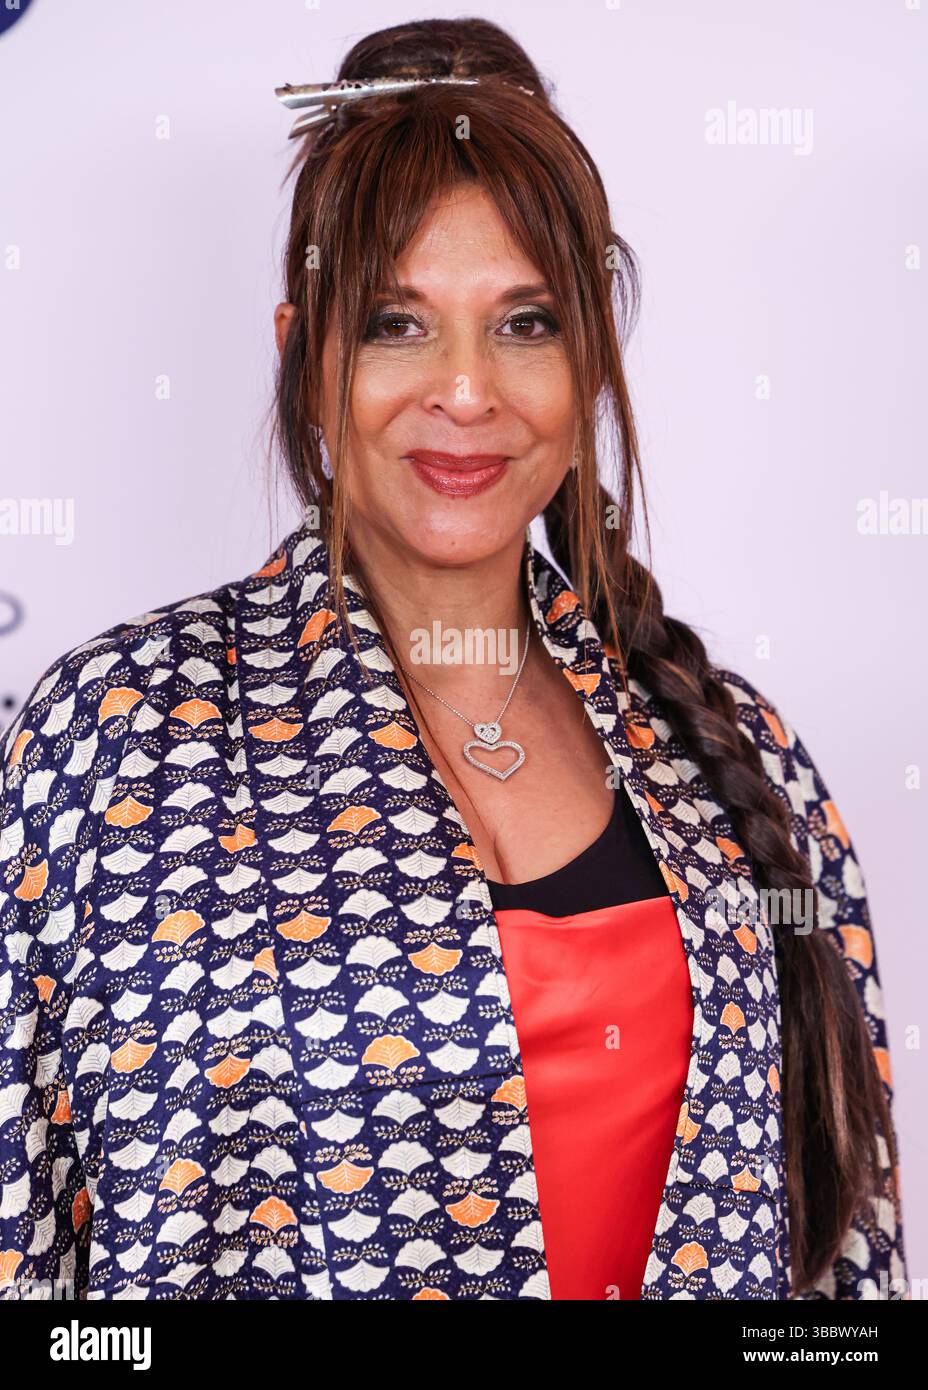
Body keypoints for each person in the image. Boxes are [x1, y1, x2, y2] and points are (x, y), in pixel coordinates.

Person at [0, 18, 905, 1301]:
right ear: (303, 351)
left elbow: (842, 1282)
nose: (468, 392)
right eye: (397, 324)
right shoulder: (121, 735)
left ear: (589, 351)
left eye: (525, 322)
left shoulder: (743, 759)